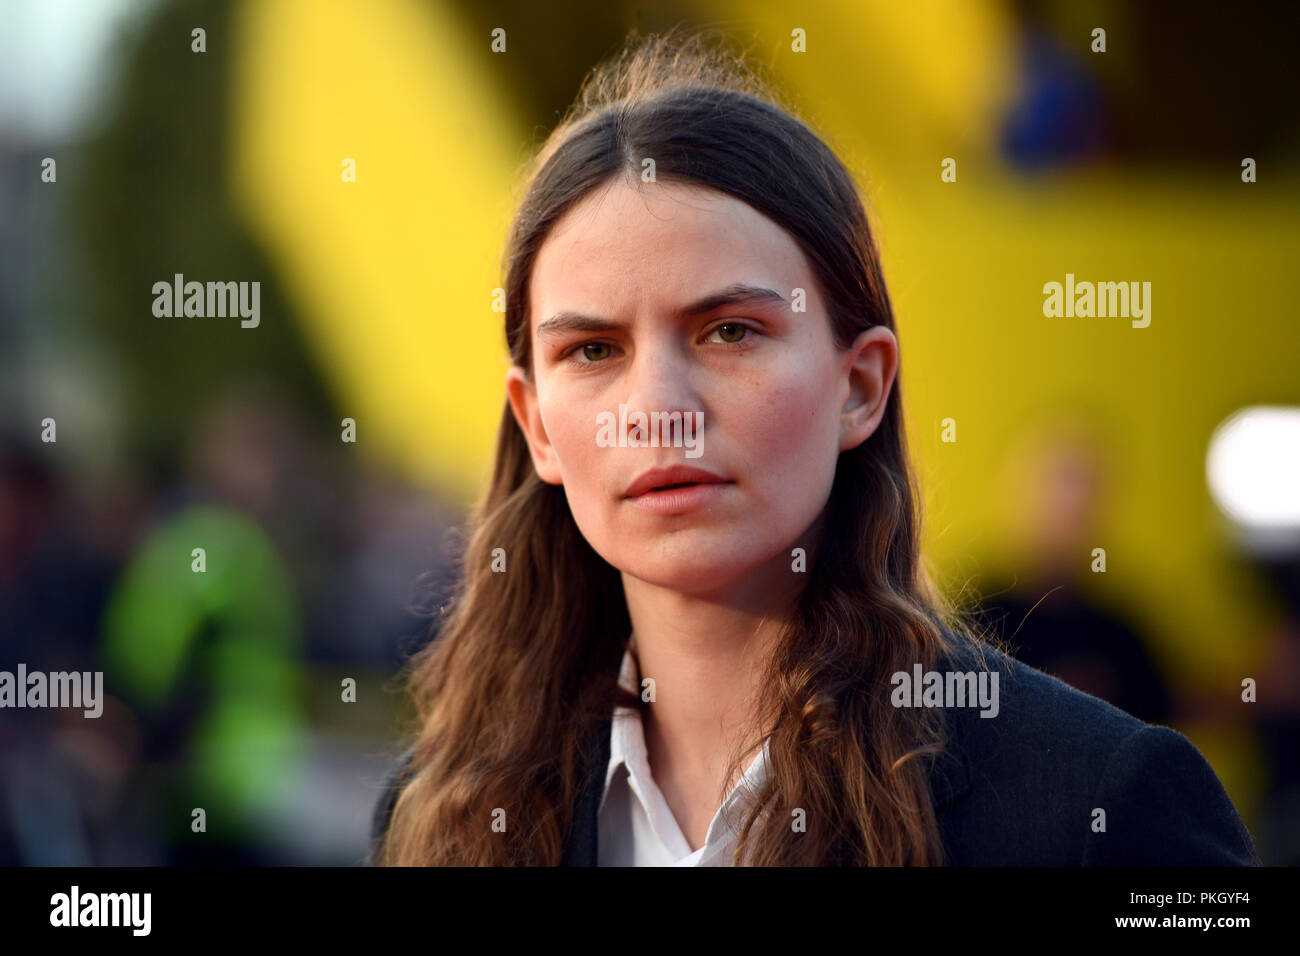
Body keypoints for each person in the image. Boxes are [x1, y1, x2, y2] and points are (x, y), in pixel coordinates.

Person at [369, 27, 1258, 866]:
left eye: (728, 332)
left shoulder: (1099, 806)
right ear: (536, 426)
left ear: (859, 385)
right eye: (593, 350)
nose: (661, 410)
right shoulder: (432, 821)